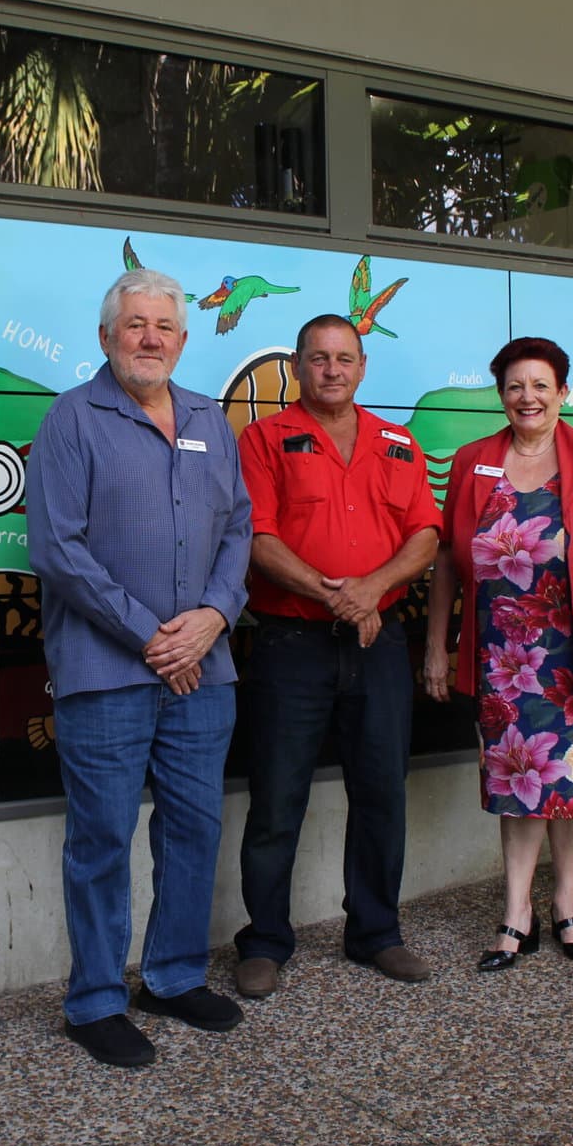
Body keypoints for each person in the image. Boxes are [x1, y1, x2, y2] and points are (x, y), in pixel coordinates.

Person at [26, 268, 253, 1066]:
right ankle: (93, 1001)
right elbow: (58, 549)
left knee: (194, 827)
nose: (150, 338)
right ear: (106, 336)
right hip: (106, 672)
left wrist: (215, 617)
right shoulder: (72, 419)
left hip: (205, 672)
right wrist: (157, 638)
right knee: (100, 839)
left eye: (163, 326)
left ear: (183, 341)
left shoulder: (207, 420)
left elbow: (238, 530)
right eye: (135, 325)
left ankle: (173, 975)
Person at [424, 337, 573, 971]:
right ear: (502, 394)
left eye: (540, 385)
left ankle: (567, 904)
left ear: (561, 392)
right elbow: (447, 557)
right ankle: (515, 913)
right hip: (506, 658)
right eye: (515, 387)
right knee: (516, 783)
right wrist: (438, 648)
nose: (527, 397)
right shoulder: (474, 461)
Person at [231, 314, 442, 999]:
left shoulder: (398, 443)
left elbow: (426, 535)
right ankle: (264, 942)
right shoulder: (263, 440)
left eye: (344, 358)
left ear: (362, 366)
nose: (332, 369)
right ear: (298, 366)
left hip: (377, 647)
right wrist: (336, 597)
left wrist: (371, 592)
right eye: (318, 358)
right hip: (290, 647)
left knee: (381, 793)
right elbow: (257, 538)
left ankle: (376, 932)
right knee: (276, 799)